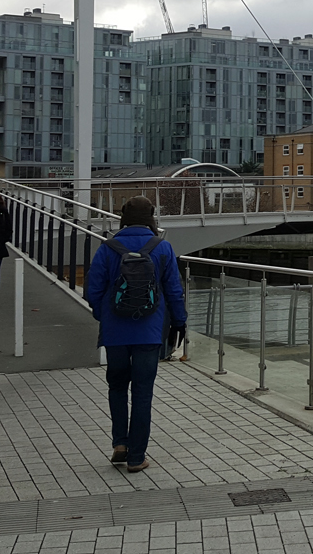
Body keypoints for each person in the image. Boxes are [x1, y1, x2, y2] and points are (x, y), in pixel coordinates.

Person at [85, 196, 185, 473]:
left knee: (117, 387)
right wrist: (179, 322)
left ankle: (120, 443)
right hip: (149, 333)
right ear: (151, 218)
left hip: (115, 332)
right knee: (142, 393)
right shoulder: (162, 248)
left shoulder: (108, 249)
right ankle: (137, 456)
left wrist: (103, 316)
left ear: (124, 218)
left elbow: (92, 291)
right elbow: (175, 292)